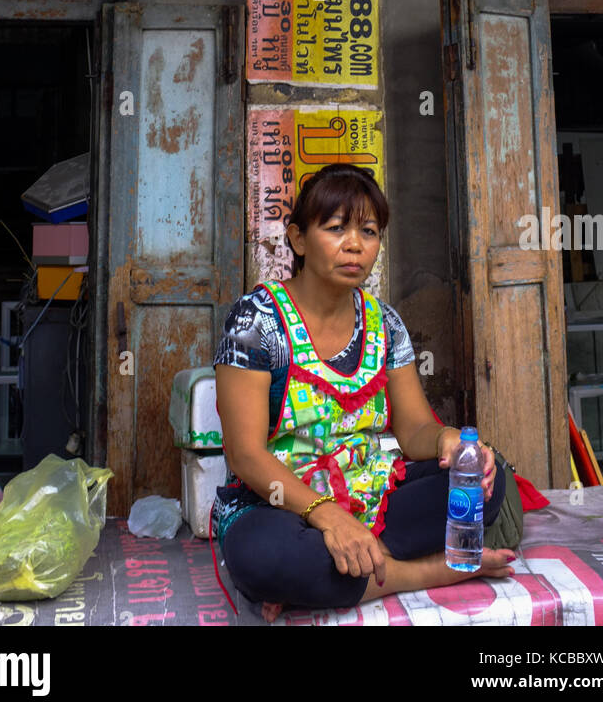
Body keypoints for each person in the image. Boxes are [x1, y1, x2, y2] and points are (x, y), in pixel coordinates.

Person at [213, 164, 515, 620]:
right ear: (297, 239)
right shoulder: (256, 322)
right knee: (267, 559)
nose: (355, 244)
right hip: (275, 502)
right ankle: (437, 570)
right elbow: (244, 454)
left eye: (369, 231)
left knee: (484, 485)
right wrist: (327, 515)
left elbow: (414, 429)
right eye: (336, 229)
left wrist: (448, 440)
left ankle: (334, 578)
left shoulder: (385, 324)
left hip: (368, 489)